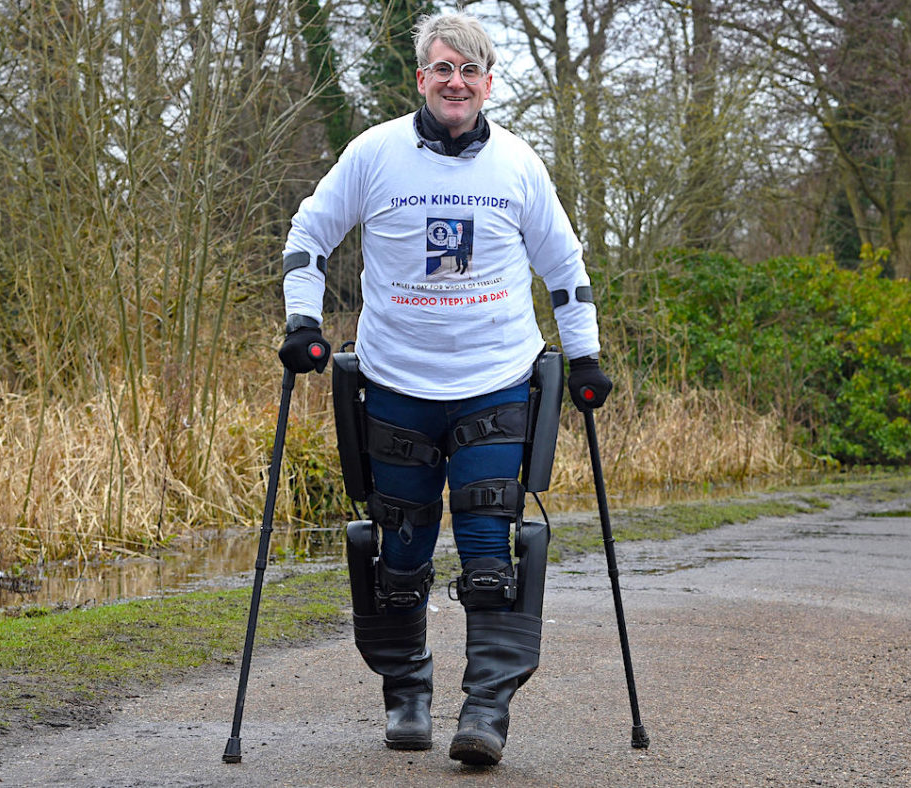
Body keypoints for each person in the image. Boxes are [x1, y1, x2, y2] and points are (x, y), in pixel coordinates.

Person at [276, 10, 612, 767]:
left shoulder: (519, 164)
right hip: (395, 383)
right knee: (400, 555)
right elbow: (307, 233)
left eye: (469, 71)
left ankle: (486, 710)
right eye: (442, 69)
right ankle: (407, 693)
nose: (455, 83)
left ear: (488, 83)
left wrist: (584, 359)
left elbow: (566, 270)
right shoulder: (374, 155)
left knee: (492, 552)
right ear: (420, 77)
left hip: (496, 382)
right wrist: (303, 321)